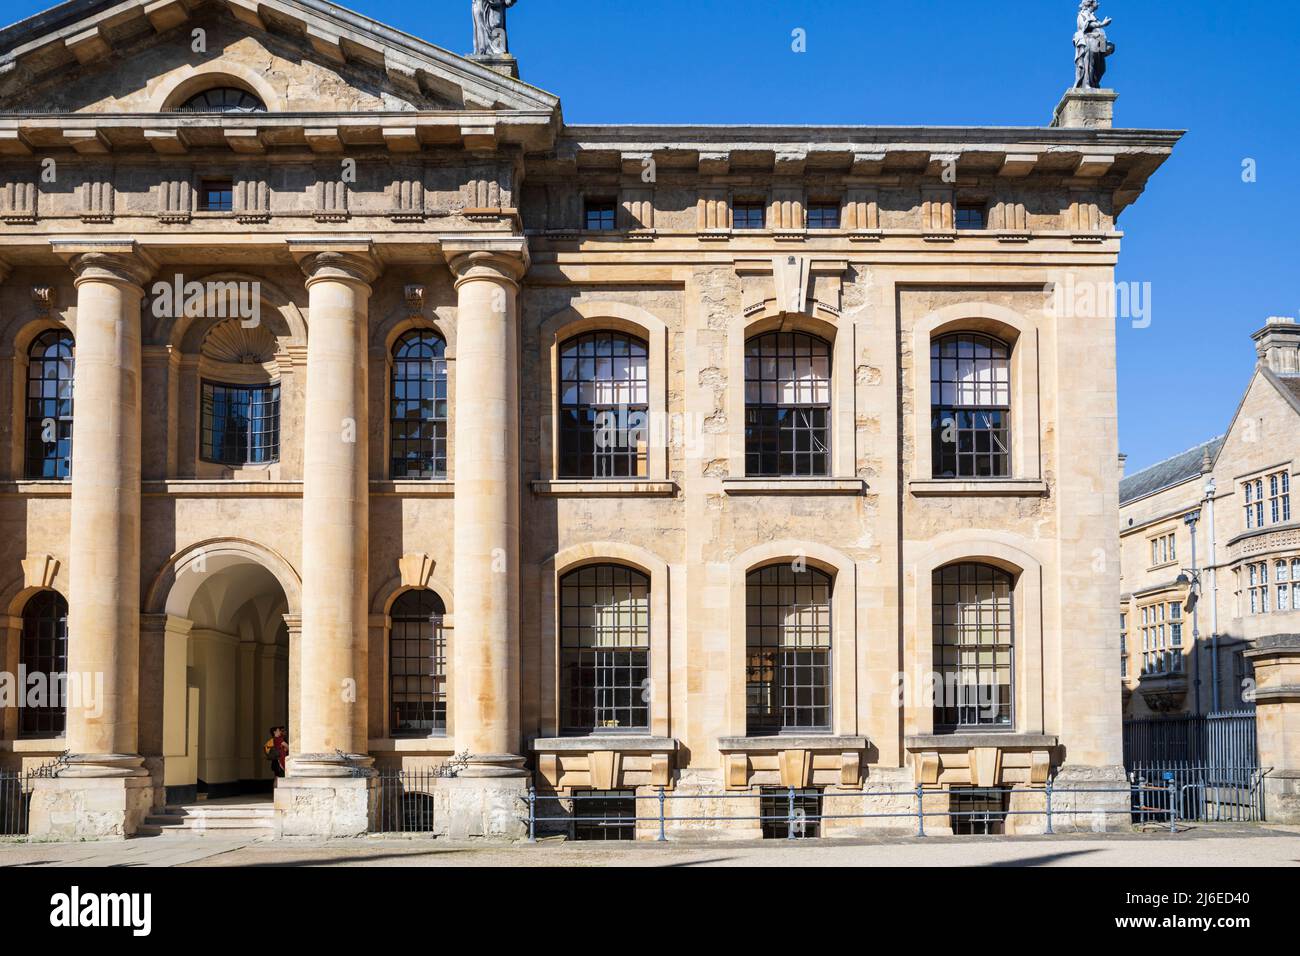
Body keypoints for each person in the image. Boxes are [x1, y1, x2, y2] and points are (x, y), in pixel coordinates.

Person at [1073, 0, 1115, 90]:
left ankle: (1094, 84)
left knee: (1101, 68)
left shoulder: (1094, 16)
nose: (1098, 3)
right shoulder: (1083, 14)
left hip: (1099, 42)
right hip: (1089, 41)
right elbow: (1087, 25)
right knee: (1089, 64)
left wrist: (1107, 47)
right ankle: (1086, 84)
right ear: (1090, 3)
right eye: (1096, 1)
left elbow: (1101, 33)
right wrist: (1102, 24)